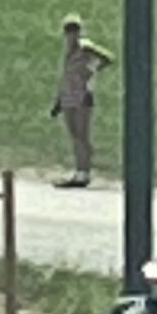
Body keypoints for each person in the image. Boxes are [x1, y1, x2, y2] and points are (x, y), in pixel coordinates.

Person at [52, 16, 112, 187]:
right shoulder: (68, 51)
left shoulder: (85, 46)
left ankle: (84, 172)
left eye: (74, 30)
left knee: (82, 135)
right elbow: (65, 76)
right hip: (68, 95)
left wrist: (92, 70)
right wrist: (59, 100)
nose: (71, 34)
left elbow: (107, 58)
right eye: (68, 31)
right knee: (74, 135)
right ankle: (80, 169)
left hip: (82, 94)